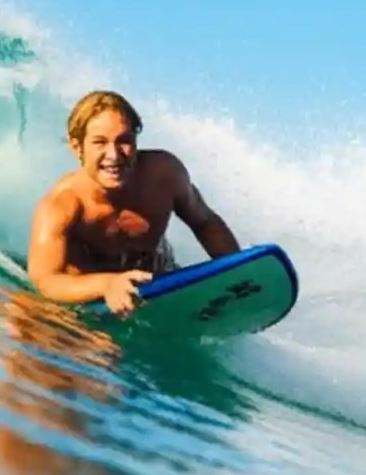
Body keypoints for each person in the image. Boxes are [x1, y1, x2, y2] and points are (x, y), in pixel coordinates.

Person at [26, 90, 241, 316]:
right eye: (100, 142)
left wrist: (237, 274)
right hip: (88, 297)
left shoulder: (164, 175)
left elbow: (205, 221)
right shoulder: (62, 205)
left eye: (124, 141)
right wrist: (106, 284)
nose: (114, 155)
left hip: (155, 277)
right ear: (77, 147)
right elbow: (45, 280)